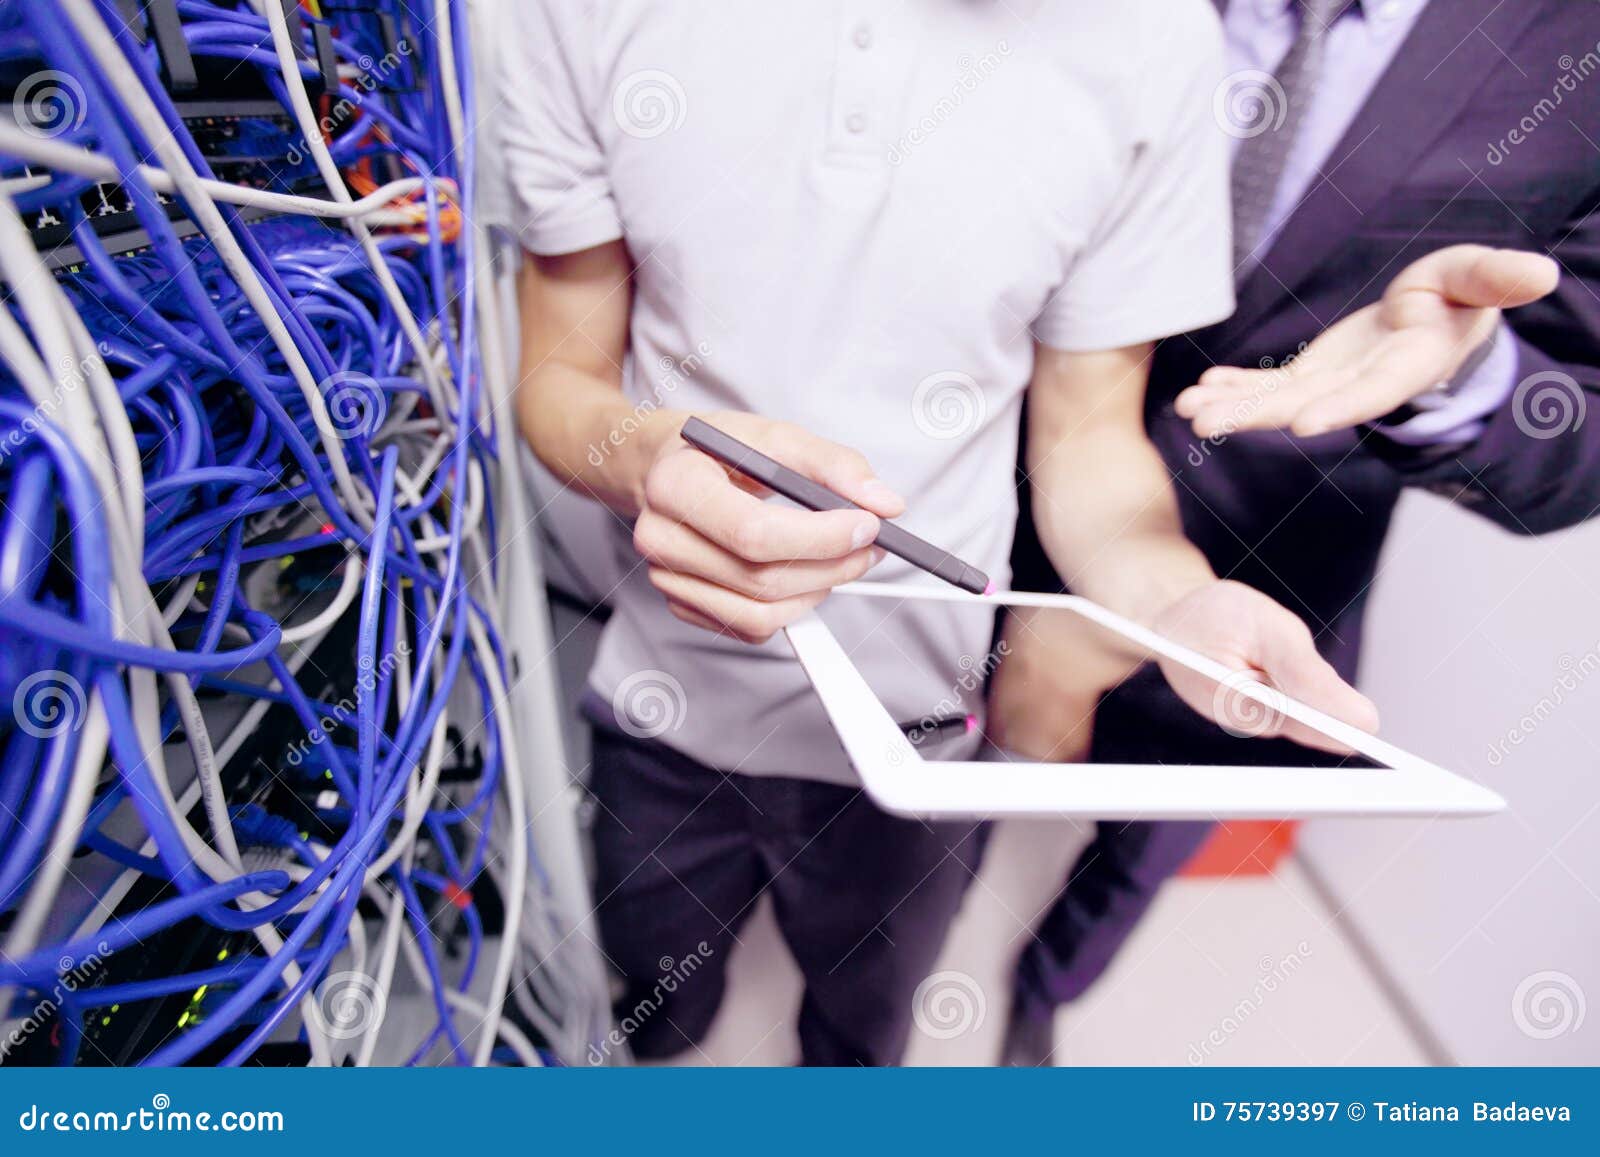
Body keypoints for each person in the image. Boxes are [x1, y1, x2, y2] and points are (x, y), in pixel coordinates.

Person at [501, 0, 1380, 1065]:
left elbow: (1087, 438)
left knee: (866, 1022)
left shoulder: (1155, 36)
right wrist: (638, 457)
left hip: (922, 723)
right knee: (656, 1004)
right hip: (660, 693)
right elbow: (558, 374)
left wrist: (1167, 600)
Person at [993, 0, 1600, 1066]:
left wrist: (1461, 376)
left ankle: (1043, 989)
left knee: (1148, 836)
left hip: (1284, 552)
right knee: (962, 770)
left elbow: (1575, 439)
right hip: (1010, 476)